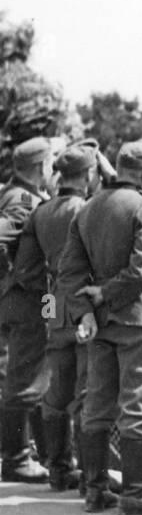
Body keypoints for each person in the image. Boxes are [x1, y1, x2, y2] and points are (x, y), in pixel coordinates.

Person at [58, 138, 142, 515]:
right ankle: (136, 494)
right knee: (139, 406)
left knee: (97, 405)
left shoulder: (89, 208)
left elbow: (69, 271)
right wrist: (104, 294)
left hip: (102, 324)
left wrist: (87, 310)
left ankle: (95, 490)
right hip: (138, 319)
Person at [10, 142, 103, 491]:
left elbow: (24, 270)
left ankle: (59, 468)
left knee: (55, 390)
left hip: (53, 303)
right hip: (83, 303)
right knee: (86, 390)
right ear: (88, 175)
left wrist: (51, 288)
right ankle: (92, 476)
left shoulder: (42, 211)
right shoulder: (88, 208)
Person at [0, 136, 54, 482]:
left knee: (36, 377)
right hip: (27, 300)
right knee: (24, 378)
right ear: (40, 167)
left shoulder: (15, 194)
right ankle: (17, 458)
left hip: (27, 299)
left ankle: (41, 456)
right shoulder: (22, 200)